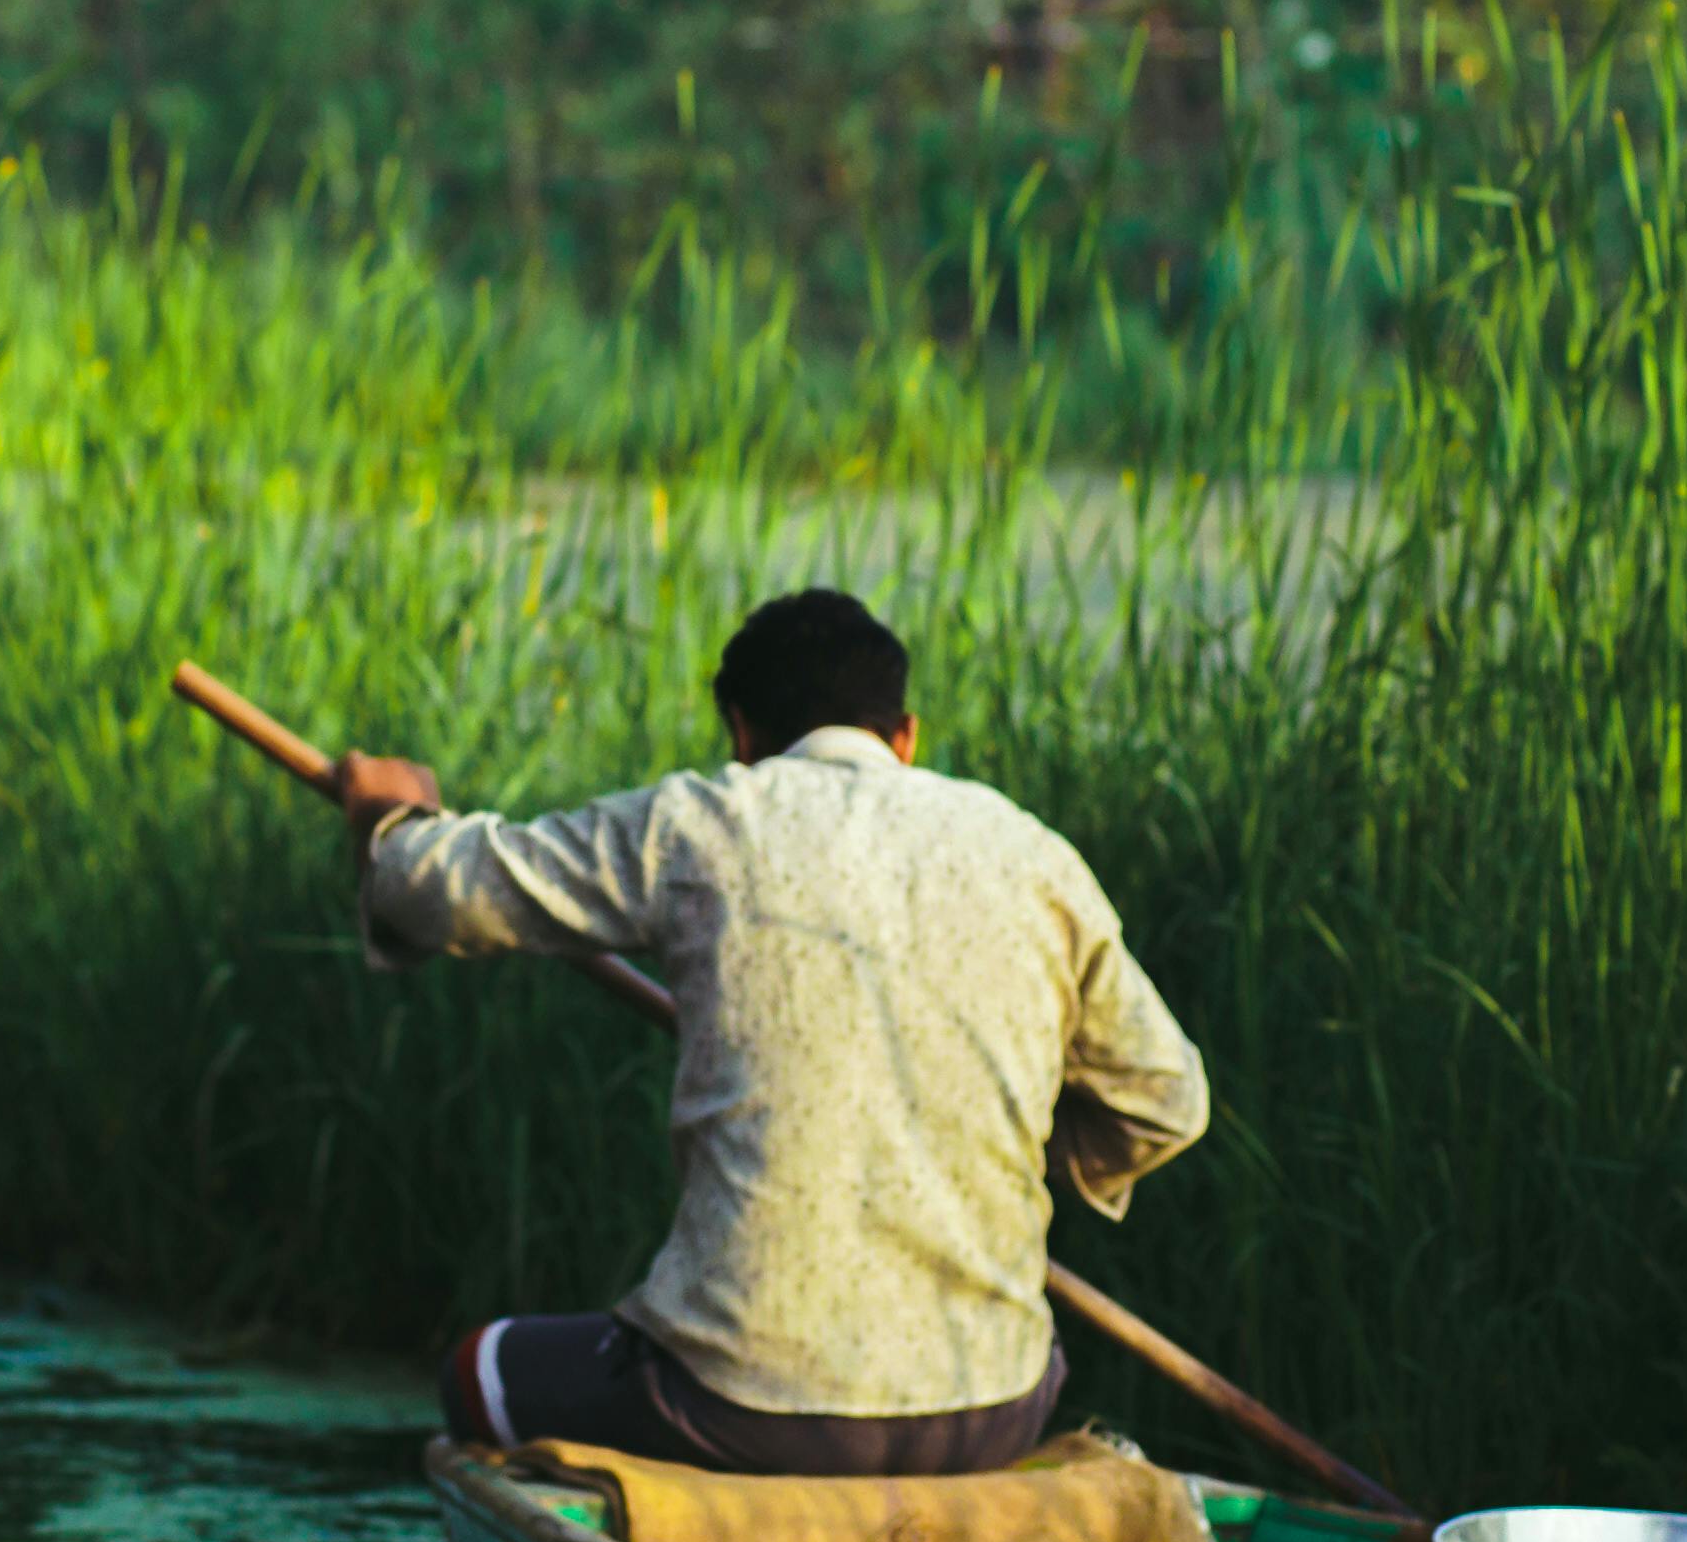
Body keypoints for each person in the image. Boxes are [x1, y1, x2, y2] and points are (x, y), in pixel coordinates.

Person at [338, 583, 1208, 1478]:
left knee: (474, 1371)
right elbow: (1165, 1103)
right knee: (1029, 1354)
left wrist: (392, 820)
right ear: (905, 736)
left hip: (744, 1403)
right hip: (992, 1408)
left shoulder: (701, 824)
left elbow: (440, 891)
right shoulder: (1033, 854)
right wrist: (999, 1143)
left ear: (743, 735)